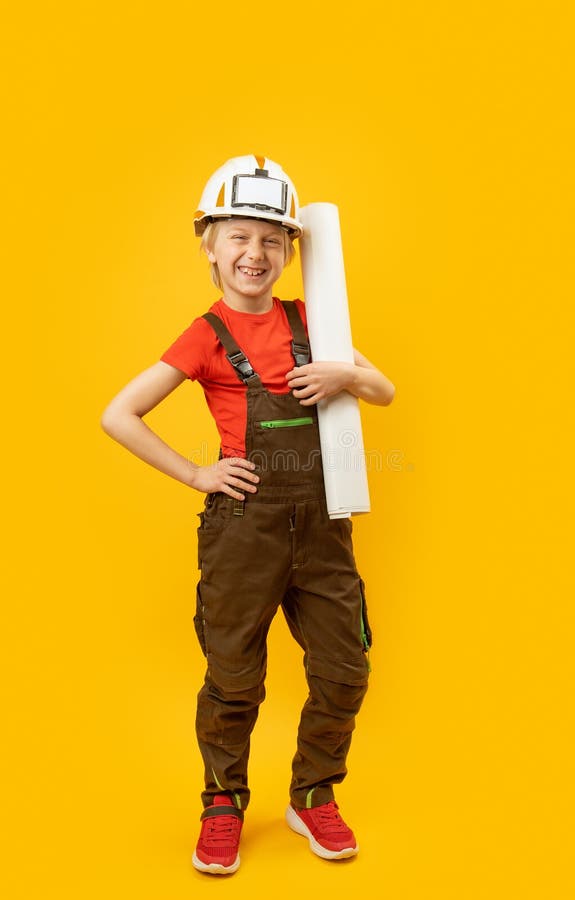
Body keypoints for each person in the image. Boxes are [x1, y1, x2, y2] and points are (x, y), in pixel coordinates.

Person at [101, 155, 395, 875]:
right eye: (237, 236)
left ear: (290, 251)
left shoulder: (313, 322)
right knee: (233, 678)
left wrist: (345, 372)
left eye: (270, 240)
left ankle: (313, 792)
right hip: (244, 534)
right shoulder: (205, 335)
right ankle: (223, 803)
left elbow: (383, 390)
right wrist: (198, 473)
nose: (253, 253)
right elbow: (119, 414)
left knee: (344, 669)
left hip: (324, 530)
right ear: (209, 244)